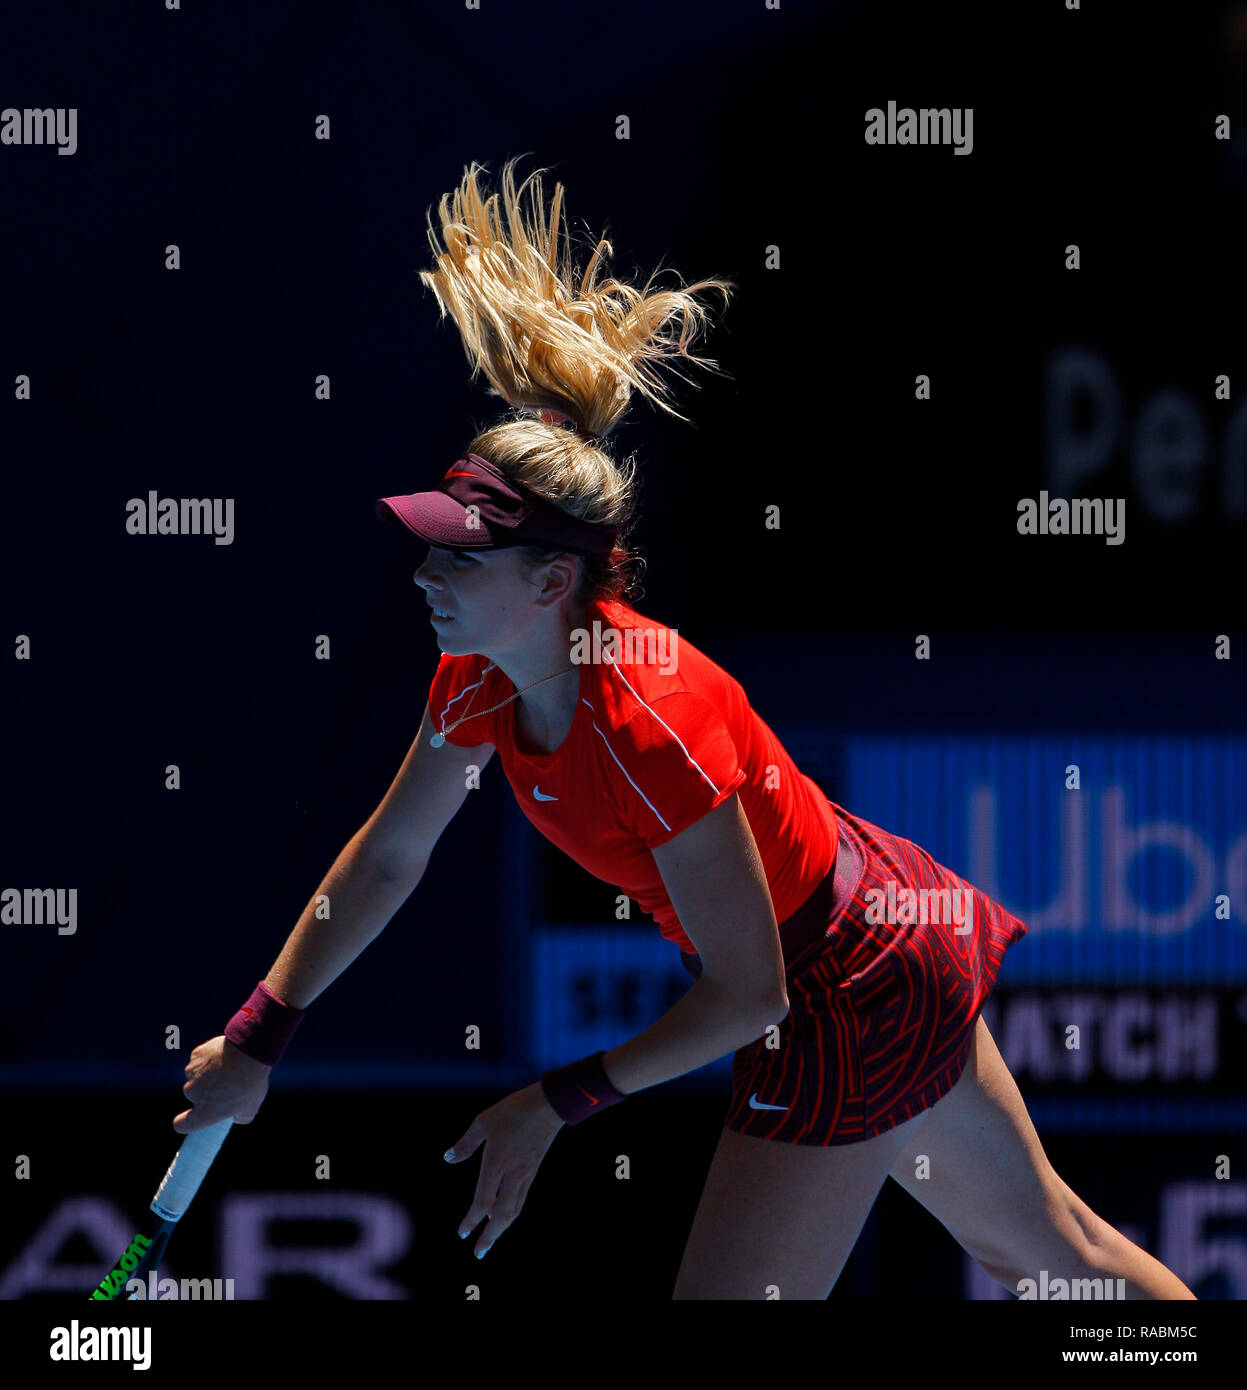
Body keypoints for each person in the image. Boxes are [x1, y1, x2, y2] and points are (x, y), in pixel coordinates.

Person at [175, 157, 1195, 1301]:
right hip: (872, 933)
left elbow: (749, 994)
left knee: (1044, 1261)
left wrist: (550, 1103)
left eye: (459, 555)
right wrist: (259, 1036)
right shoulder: (474, 677)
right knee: (1059, 1262)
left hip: (844, 984)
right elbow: (390, 857)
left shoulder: (649, 721)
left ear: (554, 582)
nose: (425, 574)